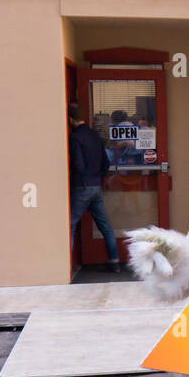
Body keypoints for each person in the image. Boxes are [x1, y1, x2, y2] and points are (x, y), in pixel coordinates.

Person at [67, 102, 122, 273]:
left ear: (70, 119)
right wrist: (98, 178)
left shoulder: (75, 137)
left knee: (70, 225)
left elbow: (78, 164)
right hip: (96, 187)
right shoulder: (95, 136)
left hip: (82, 187)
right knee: (105, 226)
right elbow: (105, 163)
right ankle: (115, 261)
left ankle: (66, 265)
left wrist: (82, 178)